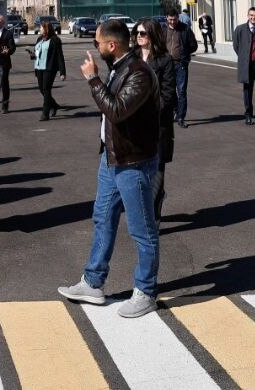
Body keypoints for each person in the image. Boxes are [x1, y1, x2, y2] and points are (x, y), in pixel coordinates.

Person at [58, 20, 161, 319]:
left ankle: (146, 291)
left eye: (98, 42)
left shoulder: (139, 73)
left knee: (142, 230)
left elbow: (116, 110)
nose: (96, 47)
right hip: (113, 158)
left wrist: (93, 80)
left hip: (133, 162)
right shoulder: (119, 68)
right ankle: (93, 282)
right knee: (103, 216)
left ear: (112, 45)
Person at [136, 18, 176, 222]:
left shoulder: (164, 60)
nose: (139, 37)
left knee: (157, 171)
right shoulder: (131, 58)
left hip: (158, 125)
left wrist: (149, 111)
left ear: (152, 35)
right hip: (134, 127)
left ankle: (153, 216)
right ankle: (150, 206)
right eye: (137, 33)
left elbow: (168, 94)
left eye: (143, 33)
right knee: (140, 174)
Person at [163, 8, 197, 128]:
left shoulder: (185, 29)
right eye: (170, 19)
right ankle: (176, 111)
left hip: (180, 64)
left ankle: (181, 117)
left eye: (174, 19)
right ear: (167, 18)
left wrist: (185, 52)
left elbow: (194, 45)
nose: (172, 22)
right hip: (166, 66)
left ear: (178, 18)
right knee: (170, 91)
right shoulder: (163, 29)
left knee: (181, 91)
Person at [28, 20, 66, 121]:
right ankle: (54, 105)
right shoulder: (39, 38)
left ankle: (45, 113)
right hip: (39, 67)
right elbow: (37, 53)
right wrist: (32, 55)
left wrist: (62, 72)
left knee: (46, 89)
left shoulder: (55, 40)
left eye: (41, 27)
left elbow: (60, 56)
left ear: (46, 29)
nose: (39, 29)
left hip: (50, 68)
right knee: (42, 89)